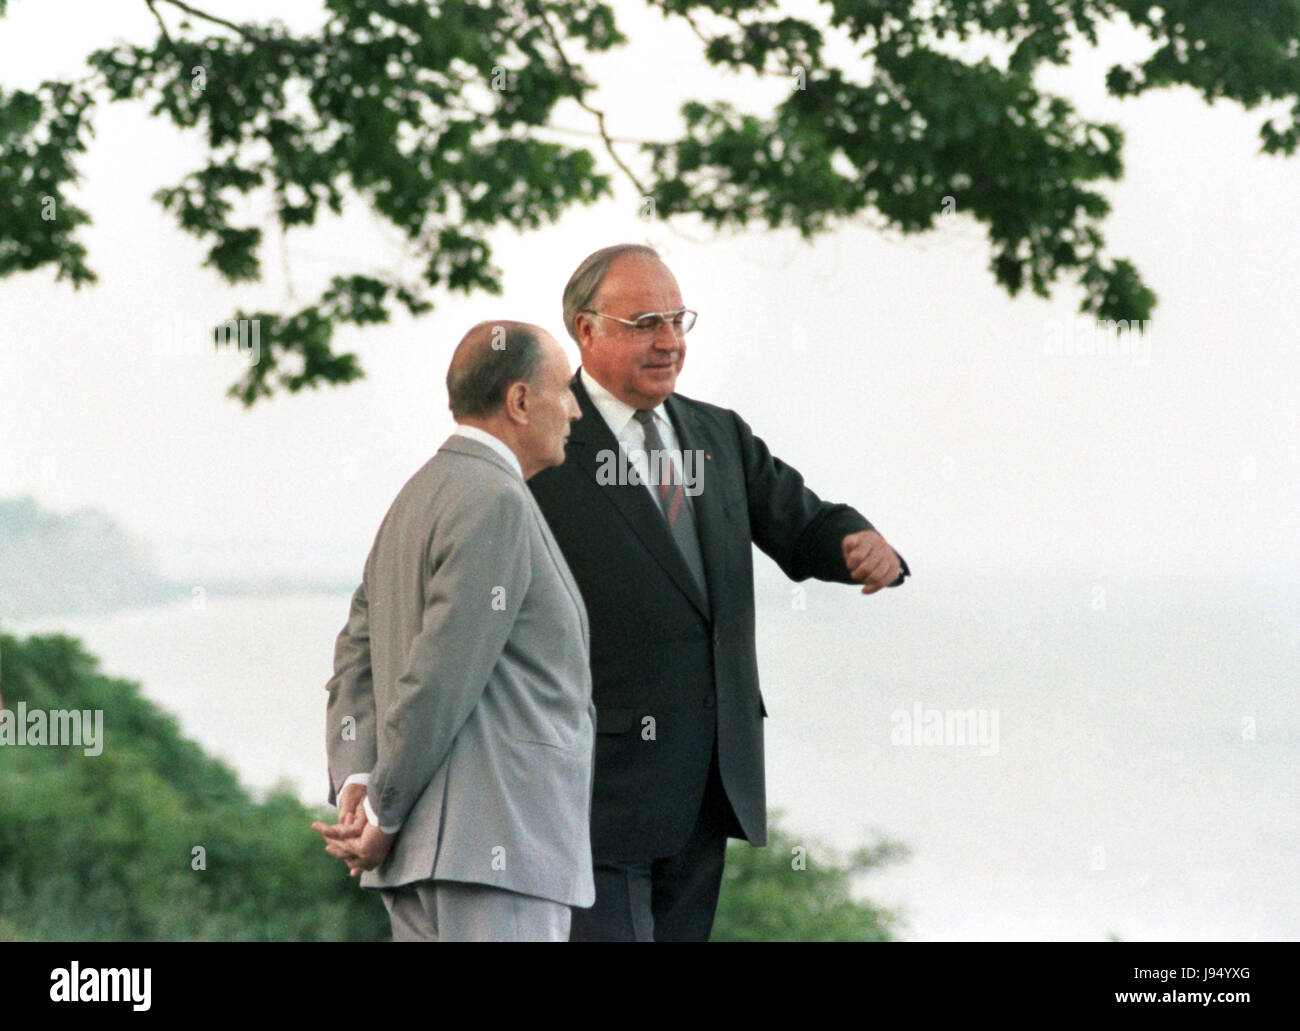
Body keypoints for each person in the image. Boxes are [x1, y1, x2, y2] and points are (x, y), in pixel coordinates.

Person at [527, 244, 910, 941]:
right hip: (592, 786)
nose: (669, 341)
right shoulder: (544, 441)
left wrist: (859, 543)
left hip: (709, 778)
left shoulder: (717, 433)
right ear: (587, 330)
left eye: (677, 320)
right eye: (645, 321)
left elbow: (804, 524)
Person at [313, 320, 593, 942]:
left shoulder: (414, 497)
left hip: (422, 862)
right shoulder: (498, 500)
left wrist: (358, 781)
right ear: (520, 401)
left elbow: (354, 659)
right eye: (566, 389)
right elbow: (442, 672)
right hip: (497, 854)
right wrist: (380, 808)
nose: (576, 410)